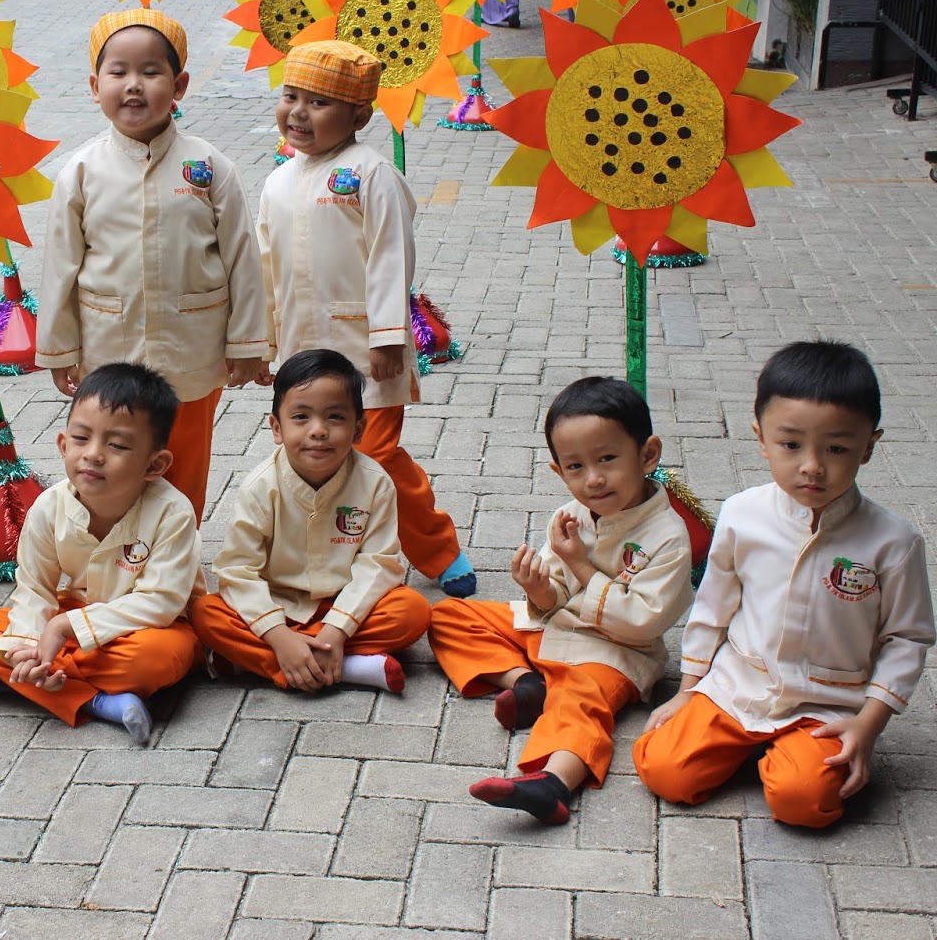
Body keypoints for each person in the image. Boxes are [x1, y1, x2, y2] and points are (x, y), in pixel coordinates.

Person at [634, 342, 934, 829]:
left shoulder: (893, 542)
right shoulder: (741, 515)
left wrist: (869, 723)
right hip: (738, 686)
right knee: (664, 769)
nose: (812, 465)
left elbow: (909, 637)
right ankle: (757, 748)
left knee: (804, 803)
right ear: (760, 437)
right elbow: (713, 606)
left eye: (837, 448)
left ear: (869, 446)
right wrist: (689, 690)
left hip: (828, 702)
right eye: (791, 445)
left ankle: (794, 758)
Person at [253, 41, 475, 596]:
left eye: (320, 102)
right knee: (316, 459)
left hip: (367, 354)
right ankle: (327, 560)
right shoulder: (278, 181)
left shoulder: (371, 173)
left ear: (360, 115)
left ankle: (438, 549)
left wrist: (389, 336)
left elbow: (391, 255)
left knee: (372, 459)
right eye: (291, 96)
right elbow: (264, 267)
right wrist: (260, 341)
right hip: (302, 357)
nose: (299, 113)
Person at [36, 9, 269, 524]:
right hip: (107, 348)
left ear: (180, 83)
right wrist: (60, 348)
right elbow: (60, 268)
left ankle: (178, 565)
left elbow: (242, 259)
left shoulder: (208, 167)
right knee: (113, 459)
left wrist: (248, 344)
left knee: (183, 466)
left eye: (151, 71)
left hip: (192, 348)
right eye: (118, 72)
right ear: (95, 86)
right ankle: (112, 561)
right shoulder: (80, 171)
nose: (134, 86)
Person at [429, 377, 692, 824]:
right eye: (575, 467)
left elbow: (642, 623)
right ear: (557, 471)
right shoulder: (569, 515)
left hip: (615, 654)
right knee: (448, 615)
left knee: (579, 699)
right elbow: (555, 590)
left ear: (647, 455)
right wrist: (538, 590)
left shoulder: (669, 537)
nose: (593, 479)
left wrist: (584, 569)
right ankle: (525, 684)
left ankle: (552, 784)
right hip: (555, 630)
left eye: (608, 459)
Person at [0, 363, 204, 745]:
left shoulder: (173, 512)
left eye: (117, 445)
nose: (93, 455)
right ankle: (96, 701)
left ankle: (38, 682)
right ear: (62, 445)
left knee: (160, 658)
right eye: (81, 438)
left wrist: (63, 629)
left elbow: (162, 602)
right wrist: (29, 642)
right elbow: (34, 591)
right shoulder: (48, 507)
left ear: (155, 464)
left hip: (147, 629)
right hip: (77, 614)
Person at [190, 350, 433, 694]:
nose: (318, 431)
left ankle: (275, 662)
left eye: (335, 417)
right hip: (277, 606)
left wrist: (337, 628)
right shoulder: (260, 486)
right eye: (301, 417)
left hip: (346, 605)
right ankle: (345, 667)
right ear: (277, 428)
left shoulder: (375, 482)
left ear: (358, 428)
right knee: (206, 614)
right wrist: (278, 634)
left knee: (412, 612)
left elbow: (379, 565)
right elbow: (238, 571)